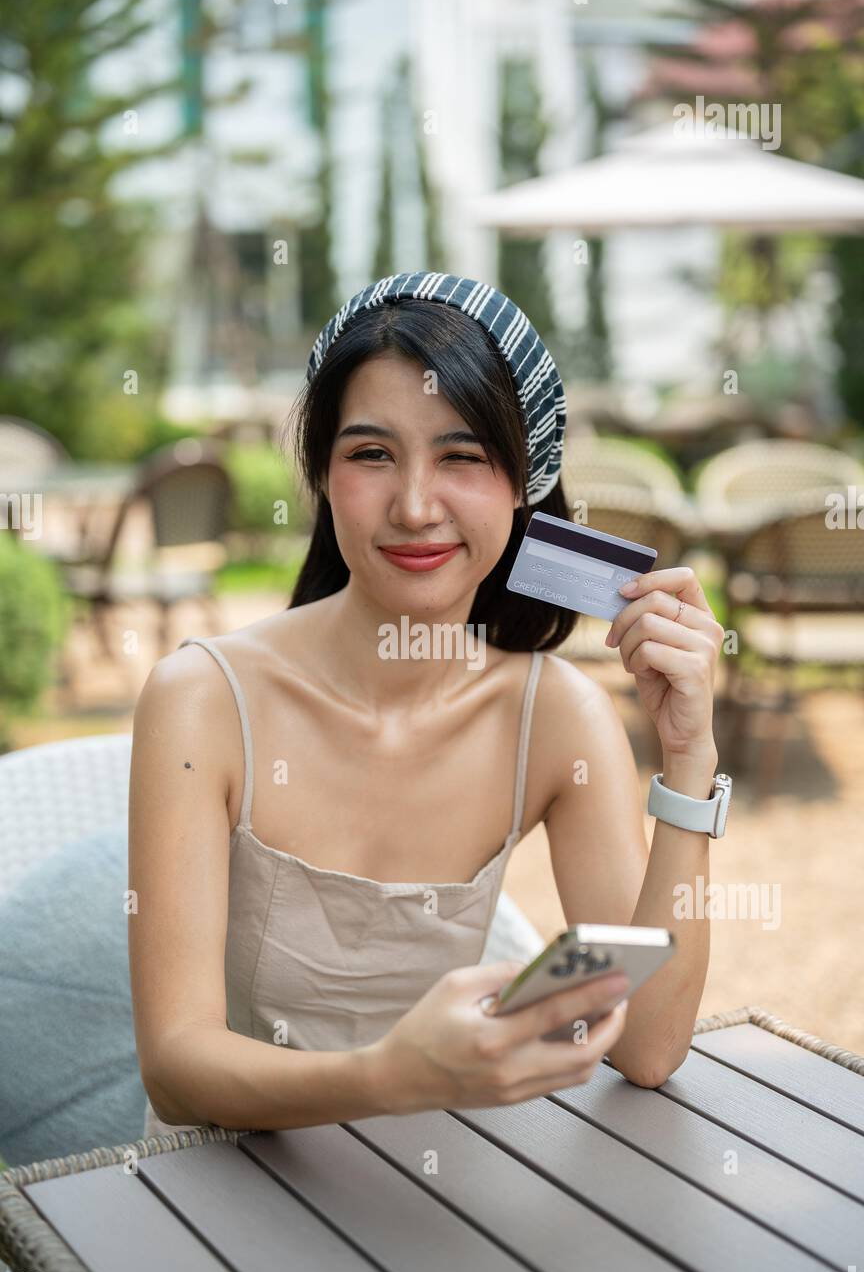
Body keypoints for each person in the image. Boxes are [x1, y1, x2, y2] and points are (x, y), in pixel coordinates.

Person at [128, 271, 724, 1140]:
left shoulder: (555, 720)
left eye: (463, 457)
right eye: (371, 454)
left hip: (434, 1198)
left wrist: (689, 760)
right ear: (323, 474)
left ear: (525, 484)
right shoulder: (203, 701)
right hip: (214, 1203)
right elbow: (177, 1066)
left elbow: (647, 1047)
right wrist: (392, 1076)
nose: (414, 506)